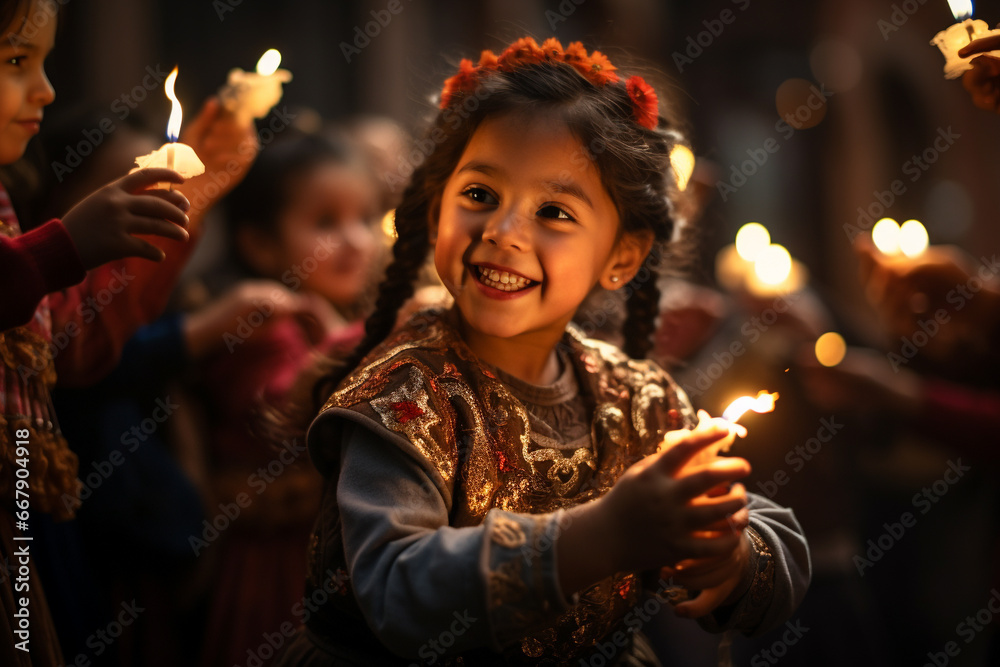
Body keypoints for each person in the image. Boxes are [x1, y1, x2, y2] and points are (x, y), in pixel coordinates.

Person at [276, 37, 810, 666]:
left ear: (621, 258)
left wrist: (733, 556)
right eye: (479, 195)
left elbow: (773, 535)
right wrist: (603, 537)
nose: (503, 233)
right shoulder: (405, 393)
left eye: (553, 211)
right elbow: (398, 590)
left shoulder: (636, 399)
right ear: (436, 204)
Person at [0, 0, 258, 663]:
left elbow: (71, 345)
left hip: (29, 502)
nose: (46, 90)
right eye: (15, 62)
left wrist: (186, 202)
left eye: (46, 63)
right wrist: (61, 249)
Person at [196, 130, 382, 667]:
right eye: (326, 223)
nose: (355, 239)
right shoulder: (262, 325)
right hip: (277, 565)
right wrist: (363, 338)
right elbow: (279, 411)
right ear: (259, 243)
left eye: (364, 218)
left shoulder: (335, 317)